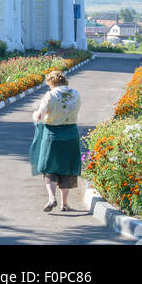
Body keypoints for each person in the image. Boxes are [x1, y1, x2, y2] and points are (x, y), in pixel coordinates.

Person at [29, 69, 82, 212]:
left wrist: (34, 114)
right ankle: (64, 204)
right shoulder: (75, 93)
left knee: (49, 167)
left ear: (52, 82)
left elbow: (39, 116)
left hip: (53, 135)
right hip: (71, 134)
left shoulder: (50, 95)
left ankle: (52, 198)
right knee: (68, 168)